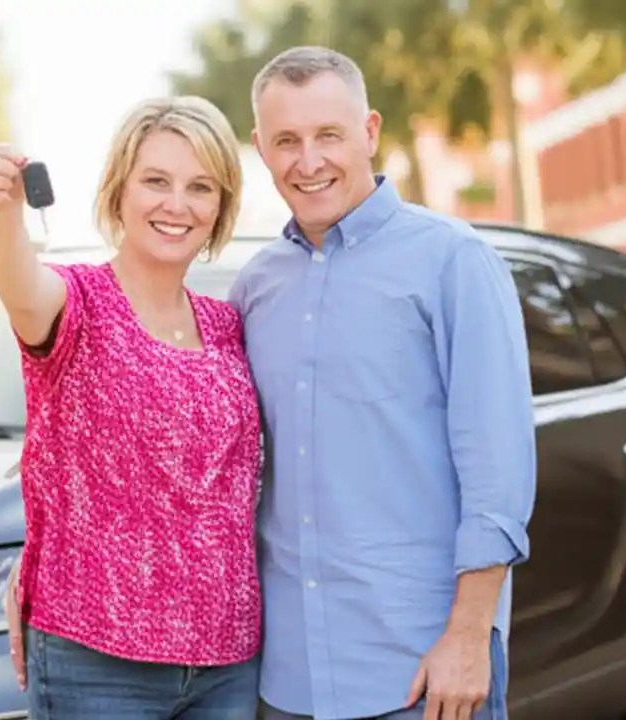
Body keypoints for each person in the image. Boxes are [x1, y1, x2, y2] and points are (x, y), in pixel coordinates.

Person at [230, 46, 537, 720]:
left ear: (368, 132)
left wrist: (469, 636)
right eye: (287, 141)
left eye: (328, 136)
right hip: (287, 684)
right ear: (260, 147)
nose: (308, 162)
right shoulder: (254, 288)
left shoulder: (452, 261)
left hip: (422, 676)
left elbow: (498, 473)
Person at [0, 96, 264, 718]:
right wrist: (8, 217)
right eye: (156, 181)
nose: (177, 204)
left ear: (220, 209)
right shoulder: (78, 304)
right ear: (119, 192)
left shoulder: (228, 327)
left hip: (228, 663)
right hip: (97, 663)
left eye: (200, 187)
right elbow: (21, 288)